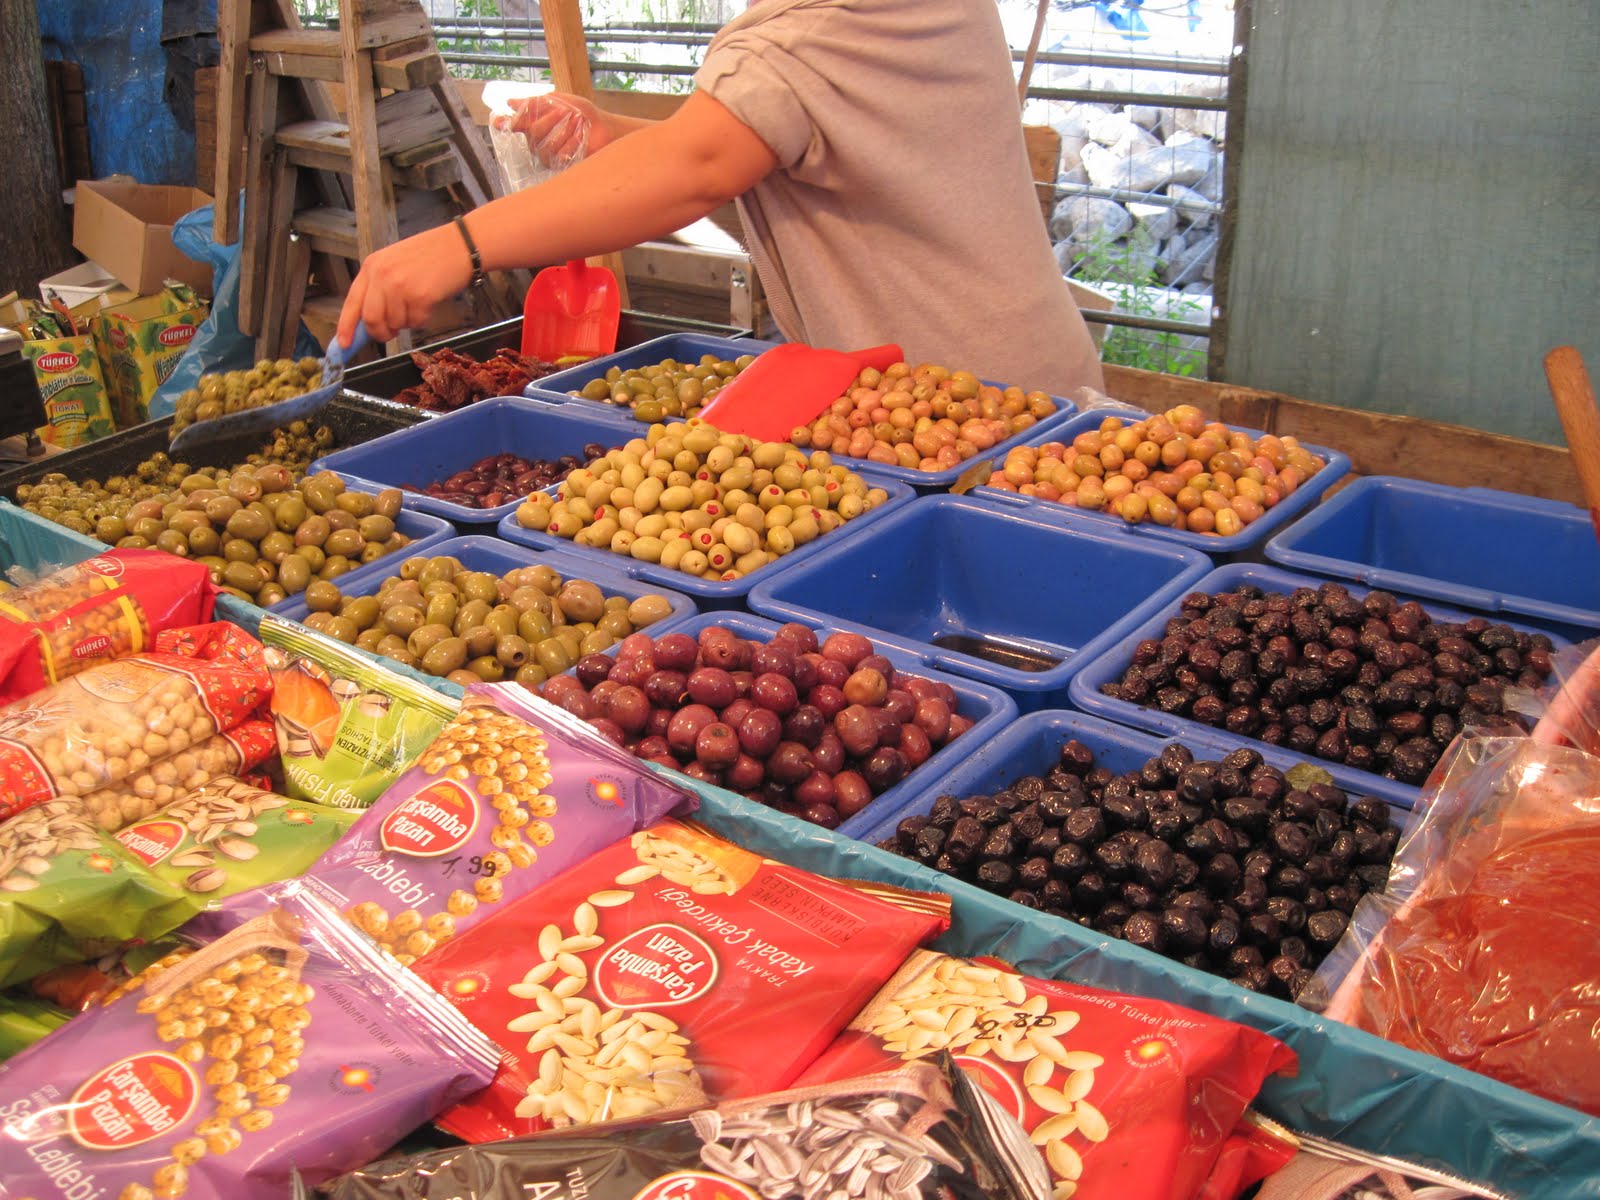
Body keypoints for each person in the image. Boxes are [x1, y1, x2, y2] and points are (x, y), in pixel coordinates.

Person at [337, 0, 1106, 399]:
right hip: (955, 382)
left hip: (979, 400)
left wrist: (457, 245)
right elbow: (781, 144)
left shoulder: (833, 19)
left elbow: (704, 161)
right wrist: (619, 138)